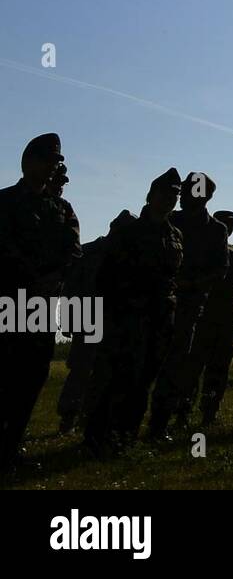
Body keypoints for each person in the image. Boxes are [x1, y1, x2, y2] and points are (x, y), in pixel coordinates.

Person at [82, 169, 184, 458]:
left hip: (160, 316)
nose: (170, 200)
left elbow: (172, 276)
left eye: (174, 196)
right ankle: (96, 436)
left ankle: (126, 434)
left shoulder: (175, 235)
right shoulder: (128, 229)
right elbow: (106, 273)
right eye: (165, 194)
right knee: (115, 377)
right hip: (126, 315)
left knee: (144, 380)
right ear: (151, 196)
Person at [0, 133, 81, 474]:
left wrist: (54, 279)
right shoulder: (5, 202)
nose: (53, 169)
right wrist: (32, 278)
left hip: (41, 308)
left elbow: (72, 251)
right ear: (29, 161)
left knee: (31, 377)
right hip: (9, 303)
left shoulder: (61, 209)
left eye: (57, 163)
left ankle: (9, 450)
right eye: (49, 161)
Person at [149, 171, 228, 439]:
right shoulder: (169, 220)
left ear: (204, 196)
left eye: (190, 191)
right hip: (157, 302)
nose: (182, 196)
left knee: (178, 367)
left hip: (189, 307)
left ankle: (161, 424)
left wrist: (192, 283)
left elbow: (220, 268)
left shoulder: (216, 229)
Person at [57, 209, 133, 433]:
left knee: (105, 372)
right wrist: (69, 320)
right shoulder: (88, 253)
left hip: (114, 320)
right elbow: (70, 288)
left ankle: (88, 417)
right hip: (88, 318)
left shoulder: (127, 256)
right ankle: (69, 417)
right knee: (81, 370)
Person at [180, 209, 233, 425]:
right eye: (225, 224)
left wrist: (221, 271)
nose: (229, 228)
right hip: (201, 316)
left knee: (219, 369)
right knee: (191, 369)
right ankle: (183, 412)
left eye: (232, 224)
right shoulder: (202, 249)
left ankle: (209, 412)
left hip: (226, 318)